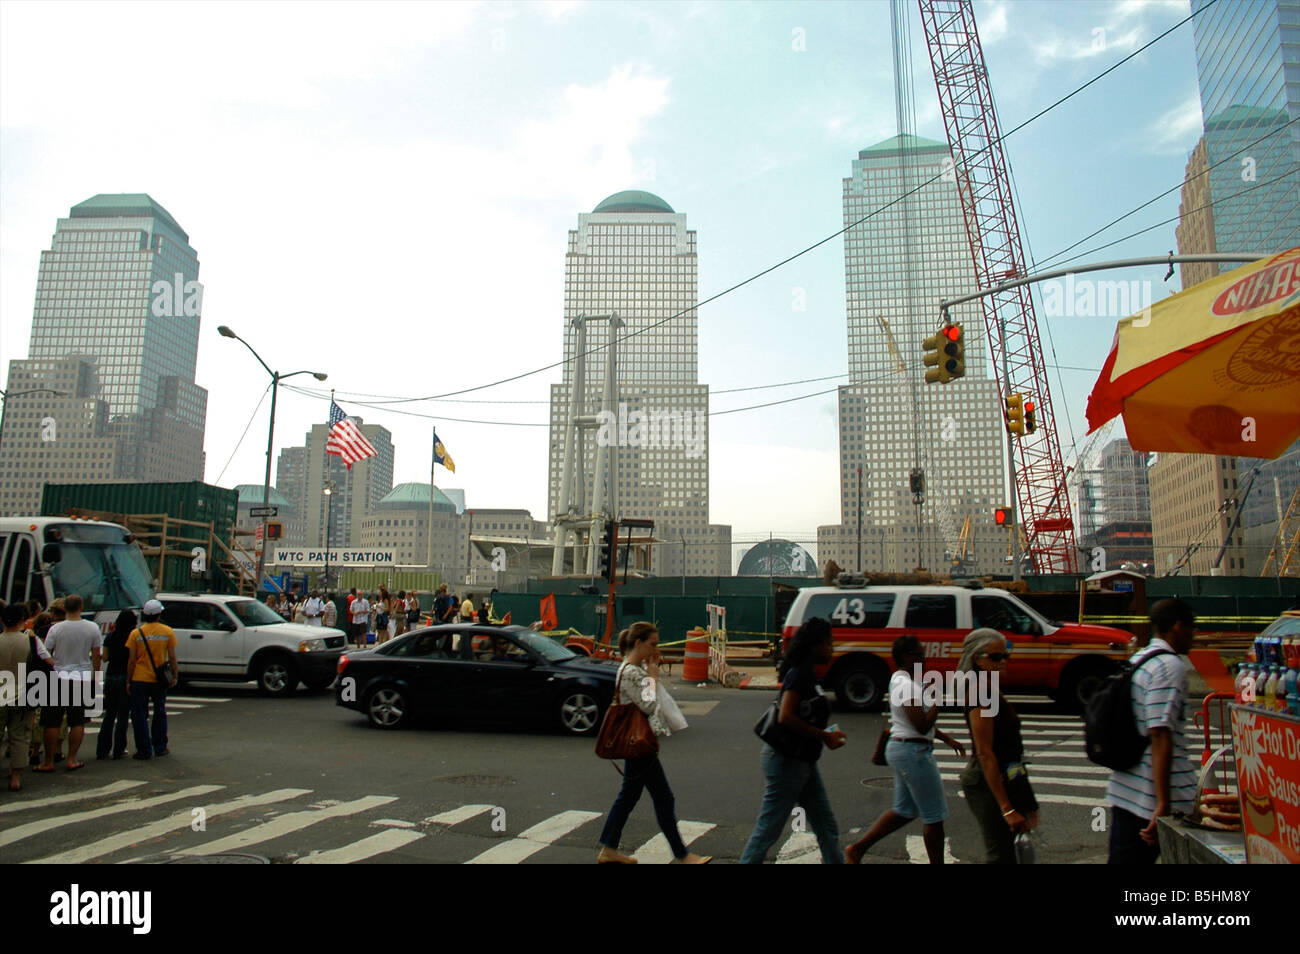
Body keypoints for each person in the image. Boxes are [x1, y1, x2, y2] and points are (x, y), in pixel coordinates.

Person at [845, 635, 966, 864]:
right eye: (920, 654)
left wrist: (948, 739)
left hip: (906, 749)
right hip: (914, 753)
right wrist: (938, 700)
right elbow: (920, 725)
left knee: (904, 810)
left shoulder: (903, 681)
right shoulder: (906, 685)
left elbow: (913, 722)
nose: (925, 659)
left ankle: (857, 849)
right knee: (934, 816)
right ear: (907, 657)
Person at [596, 622, 710, 865]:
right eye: (653, 644)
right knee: (663, 798)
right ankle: (682, 855)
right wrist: (653, 676)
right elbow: (647, 705)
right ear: (639, 643)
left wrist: (650, 671)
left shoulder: (632, 668)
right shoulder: (631, 672)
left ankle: (608, 848)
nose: (656, 649)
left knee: (629, 795)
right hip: (638, 744)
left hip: (637, 744)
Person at [739, 617, 848, 864]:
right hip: (787, 761)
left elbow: (803, 714)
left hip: (803, 761)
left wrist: (827, 732)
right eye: (828, 643)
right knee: (768, 831)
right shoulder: (800, 675)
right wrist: (824, 736)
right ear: (815, 645)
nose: (832, 648)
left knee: (826, 826)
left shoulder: (808, 674)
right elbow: (786, 717)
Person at [1106, 598, 1197, 864]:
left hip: (1128, 789)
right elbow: (1159, 734)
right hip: (1154, 799)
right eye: (1192, 627)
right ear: (1178, 627)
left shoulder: (1140, 659)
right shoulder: (1169, 667)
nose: (1195, 635)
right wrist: (1163, 805)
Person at [957, 628, 1039, 863]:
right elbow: (985, 754)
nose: (1003, 662)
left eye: (1006, 656)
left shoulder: (989, 689)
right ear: (976, 658)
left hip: (1006, 776)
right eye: (995, 657)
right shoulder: (982, 692)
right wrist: (1007, 808)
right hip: (987, 781)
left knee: (1010, 853)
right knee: (1000, 855)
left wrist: (1025, 801)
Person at [37, 594, 102, 773]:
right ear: (81, 607)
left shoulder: (56, 629)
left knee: (52, 721)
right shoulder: (92, 628)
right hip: (80, 677)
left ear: (65, 608)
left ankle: (48, 761)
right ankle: (72, 758)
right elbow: (96, 654)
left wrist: (54, 664)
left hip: (58, 676)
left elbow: (45, 651)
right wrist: (95, 676)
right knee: (77, 720)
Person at [125, 599, 179, 760]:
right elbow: (173, 657)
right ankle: (160, 746)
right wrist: (174, 675)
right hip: (159, 679)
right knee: (160, 711)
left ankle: (144, 749)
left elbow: (132, 660)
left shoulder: (136, 634)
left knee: (139, 715)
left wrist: (128, 680)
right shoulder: (167, 631)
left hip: (139, 679)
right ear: (159, 614)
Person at [1, 603, 41, 791]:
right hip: (22, 695)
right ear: (22, 620)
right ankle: (15, 776)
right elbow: (47, 663)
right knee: (20, 736)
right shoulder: (30, 641)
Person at [95, 609, 136, 761]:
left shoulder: (111, 636)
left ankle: (102, 749)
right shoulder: (133, 636)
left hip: (111, 676)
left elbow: (105, 657)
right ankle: (119, 749)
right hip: (125, 676)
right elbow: (133, 659)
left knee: (109, 714)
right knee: (123, 715)